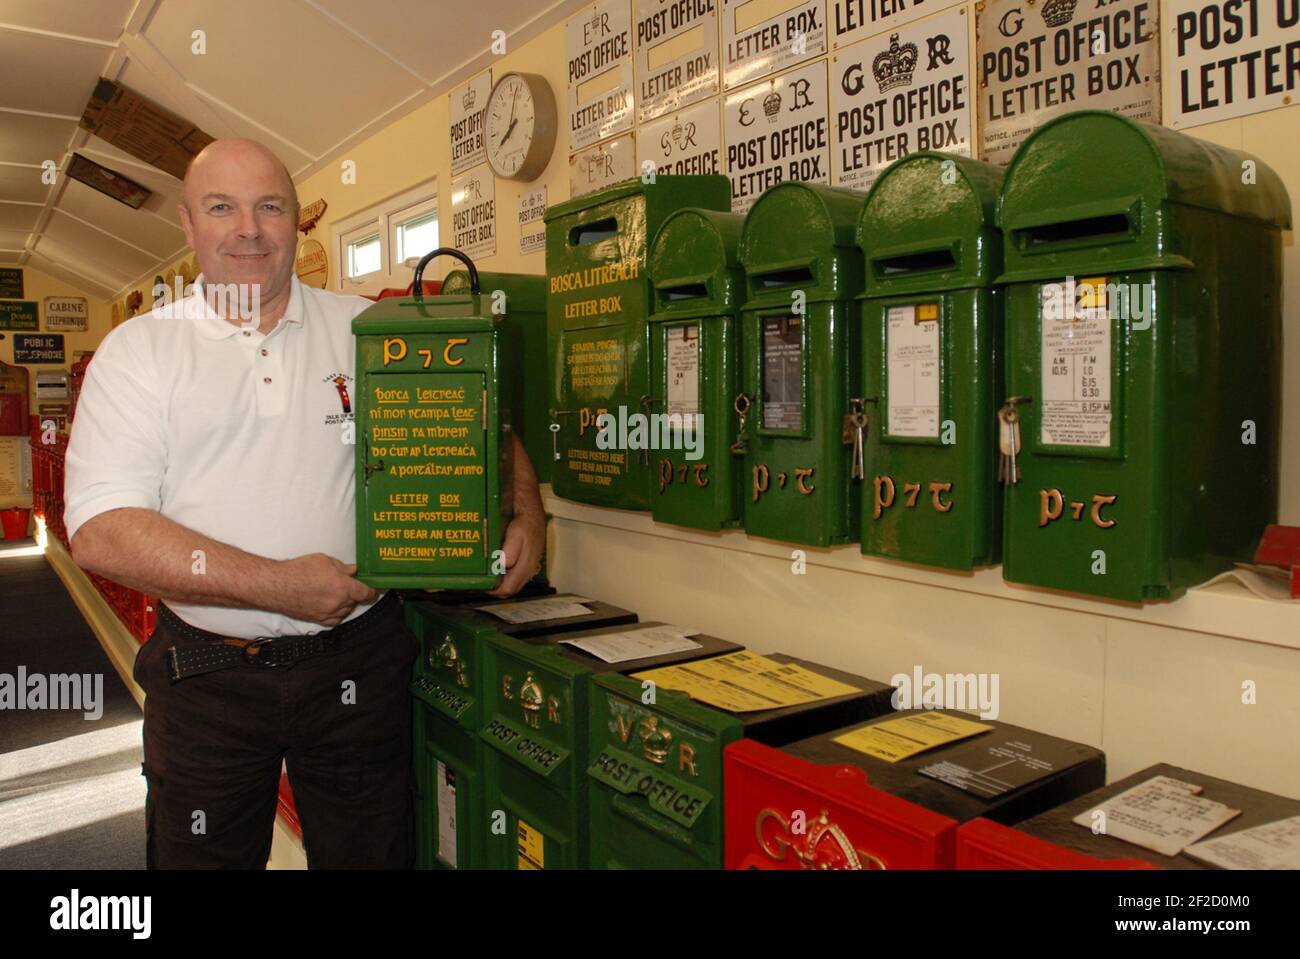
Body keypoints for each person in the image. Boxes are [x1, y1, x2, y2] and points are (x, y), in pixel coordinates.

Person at [64, 138, 546, 869]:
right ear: (189, 228)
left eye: (270, 207)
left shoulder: (368, 330)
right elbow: (101, 532)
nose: (248, 228)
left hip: (359, 656)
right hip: (207, 673)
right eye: (222, 207)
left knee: (371, 857)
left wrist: (527, 512)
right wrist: (279, 583)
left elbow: (480, 417)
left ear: (298, 223)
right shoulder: (140, 353)